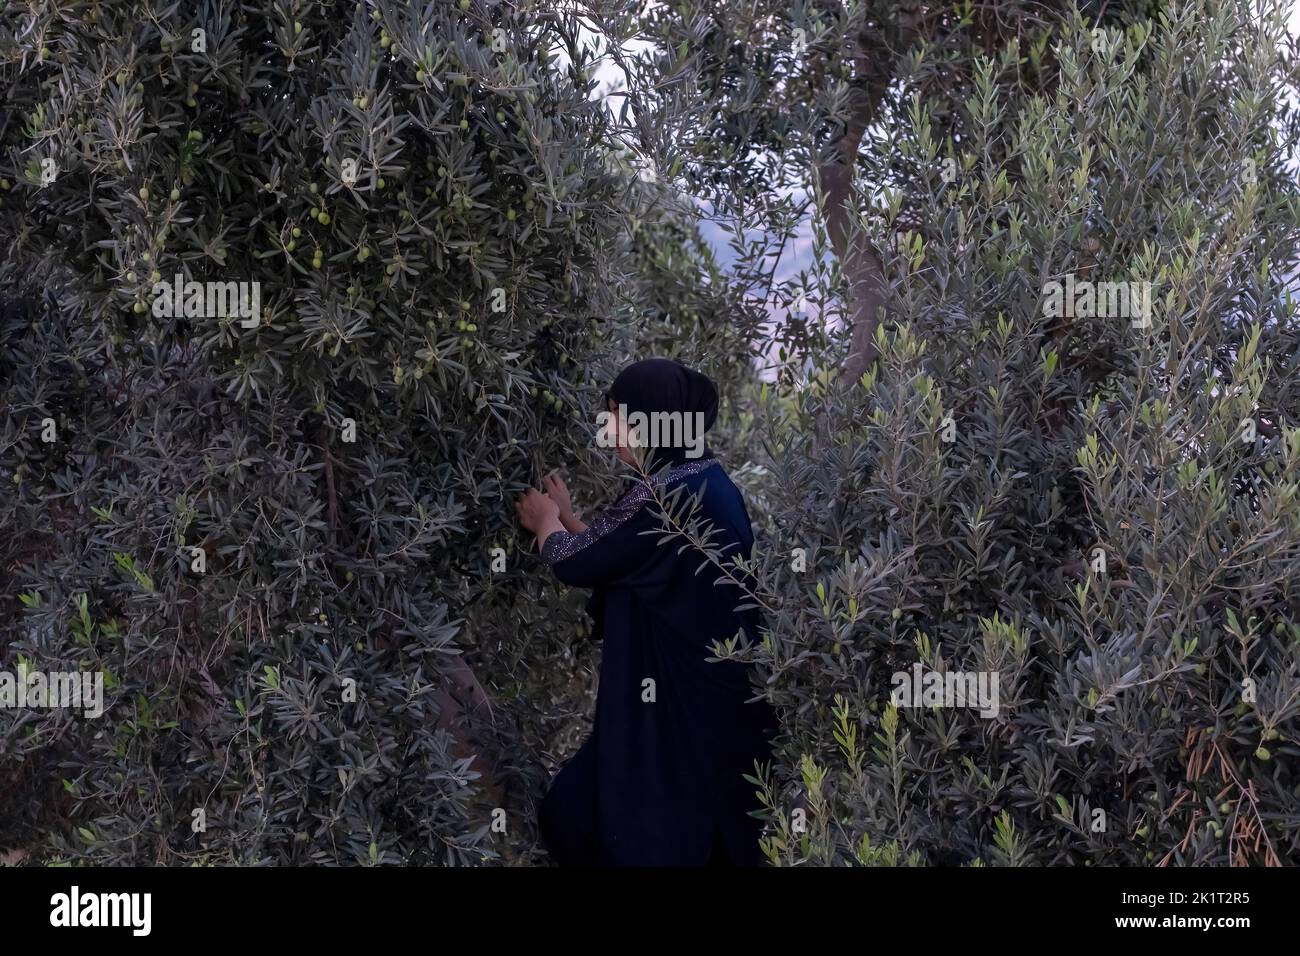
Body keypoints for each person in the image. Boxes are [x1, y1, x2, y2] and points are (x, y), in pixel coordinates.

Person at [515, 358, 778, 866]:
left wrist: (544, 520)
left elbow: (576, 561)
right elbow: (630, 555)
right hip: (714, 701)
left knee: (594, 818)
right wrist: (568, 516)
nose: (609, 429)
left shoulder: (664, 494)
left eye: (619, 416)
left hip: (678, 709)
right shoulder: (701, 478)